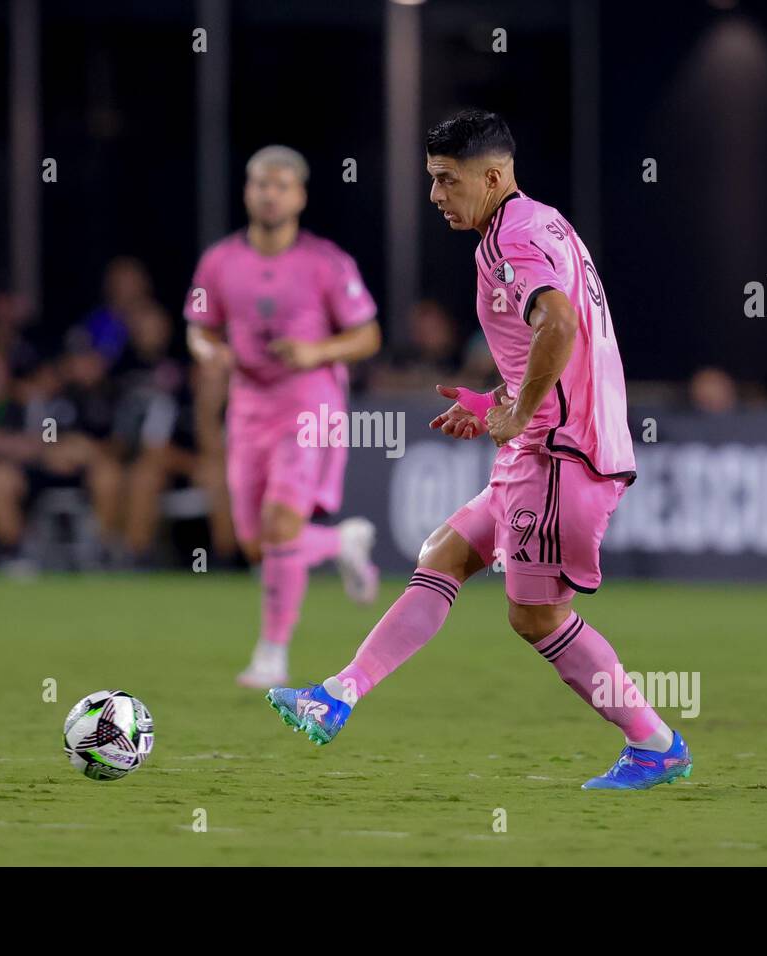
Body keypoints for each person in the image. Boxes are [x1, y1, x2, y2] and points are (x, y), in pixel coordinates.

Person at [265, 110, 692, 790]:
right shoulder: (540, 221)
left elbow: (561, 325)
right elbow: (548, 342)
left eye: (446, 180)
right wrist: (498, 400)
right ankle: (338, 694)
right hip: (551, 445)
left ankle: (654, 742)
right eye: (431, 179)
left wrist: (520, 410)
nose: (436, 195)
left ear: (491, 177)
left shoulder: (509, 247)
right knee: (445, 553)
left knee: (537, 617)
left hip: (559, 455)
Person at [184, 144, 383, 688]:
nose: (268, 194)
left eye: (280, 185)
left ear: (298, 196)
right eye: (259, 184)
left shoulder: (326, 262)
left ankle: (272, 653)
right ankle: (340, 543)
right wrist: (210, 353)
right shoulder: (220, 261)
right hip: (249, 409)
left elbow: (368, 335)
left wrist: (316, 351)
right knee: (255, 543)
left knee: (278, 526)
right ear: (248, 192)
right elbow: (199, 326)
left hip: (309, 404)